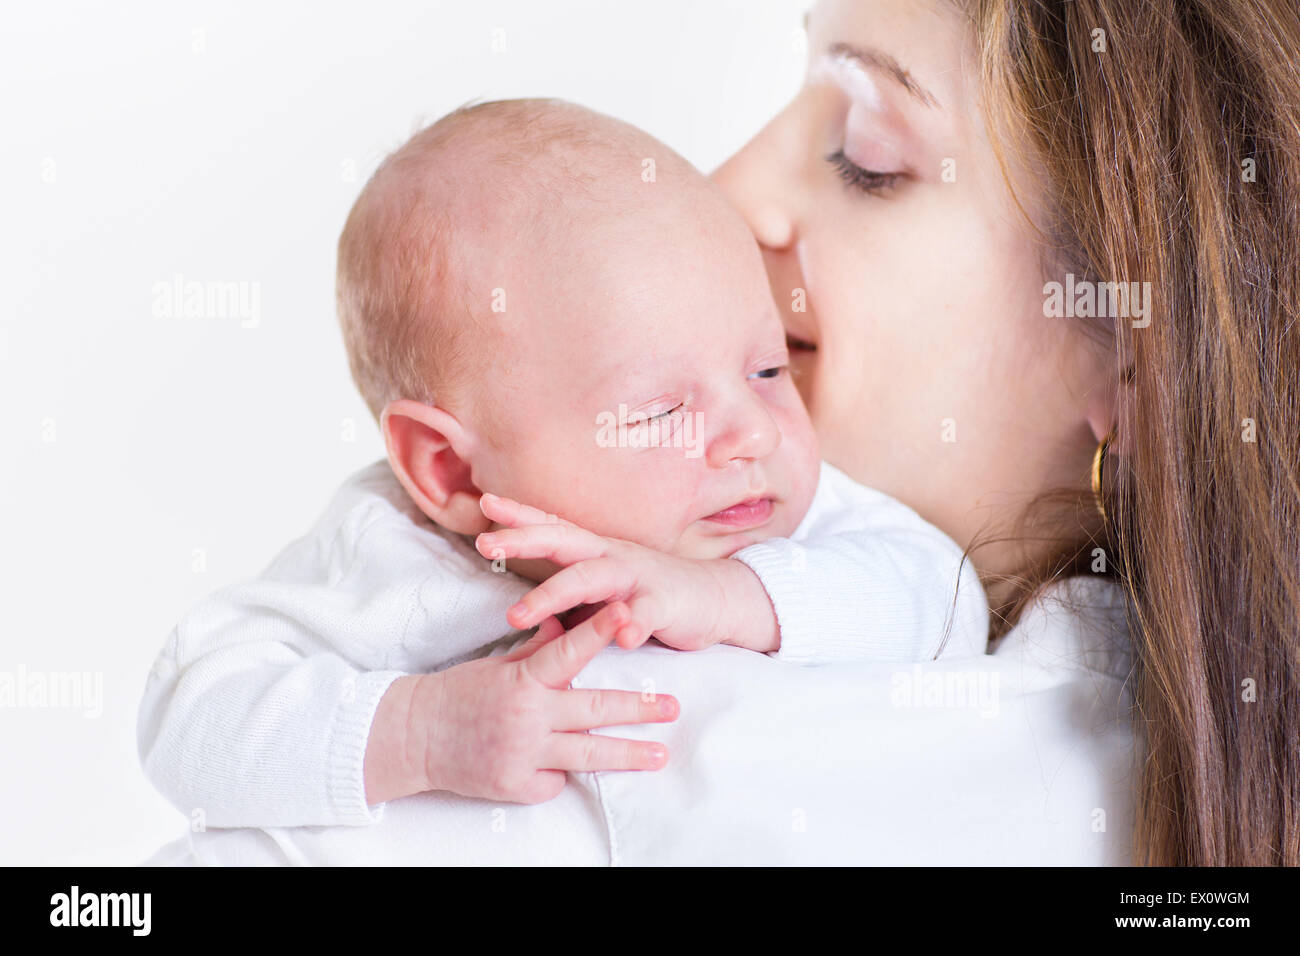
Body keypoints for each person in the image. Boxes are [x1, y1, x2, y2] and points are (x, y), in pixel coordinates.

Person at [146, 0, 1300, 865]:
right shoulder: (389, 547)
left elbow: (913, 591)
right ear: (445, 467)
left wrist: (729, 600)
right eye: (659, 405)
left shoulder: (1024, 740)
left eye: (869, 157)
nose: (719, 188)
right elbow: (202, 704)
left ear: (1134, 349)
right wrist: (409, 731)